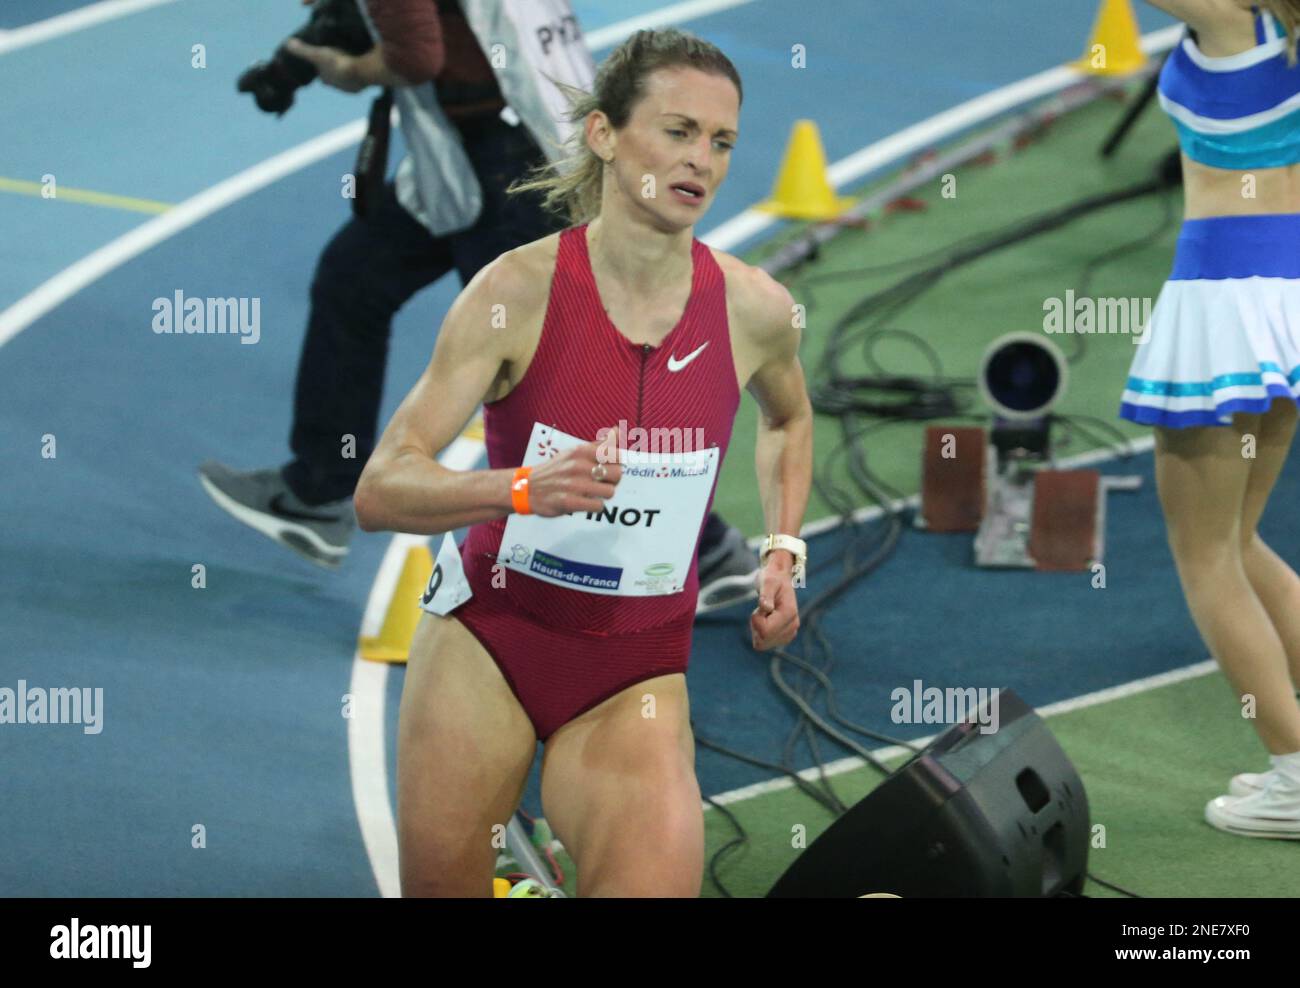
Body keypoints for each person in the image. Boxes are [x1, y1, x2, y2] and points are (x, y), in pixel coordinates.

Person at [353, 27, 815, 895]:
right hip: (488, 642)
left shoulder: (755, 309)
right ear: (603, 134)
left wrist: (783, 551)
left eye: (720, 142)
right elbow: (379, 488)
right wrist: (520, 489)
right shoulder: (514, 294)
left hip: (634, 670)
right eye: (677, 131)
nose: (701, 162)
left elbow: (790, 420)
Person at [198, 0, 761, 613]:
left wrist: (348, 69)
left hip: (506, 160)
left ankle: (702, 551)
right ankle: (319, 488)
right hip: (487, 144)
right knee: (352, 282)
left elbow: (415, 54)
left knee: (560, 370)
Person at [1121, 1, 1300, 837]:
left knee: (1205, 557)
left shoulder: (1234, 20)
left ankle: (1295, 772)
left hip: (1225, 302)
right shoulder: (1274, 29)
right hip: (1285, 292)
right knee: (1242, 537)